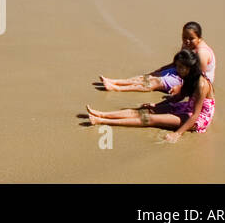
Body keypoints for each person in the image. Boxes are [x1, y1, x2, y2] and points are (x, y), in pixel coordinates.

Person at [87, 48, 215, 139]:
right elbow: (179, 97)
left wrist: (177, 134)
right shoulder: (188, 77)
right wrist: (157, 105)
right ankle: (103, 114)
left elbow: (195, 115)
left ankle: (101, 121)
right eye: (177, 66)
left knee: (150, 119)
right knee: (144, 110)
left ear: (191, 68)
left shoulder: (201, 84)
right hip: (188, 107)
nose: (177, 70)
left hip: (198, 118)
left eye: (181, 67)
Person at [100, 21, 217, 92]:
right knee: (150, 76)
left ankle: (117, 88)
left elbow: (198, 78)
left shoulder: (202, 54)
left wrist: (181, 88)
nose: (187, 41)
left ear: (200, 38)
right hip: (182, 71)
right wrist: (162, 69)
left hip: (194, 81)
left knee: (155, 82)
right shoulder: (186, 44)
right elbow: (177, 62)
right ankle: (115, 82)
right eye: (184, 37)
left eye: (191, 38)